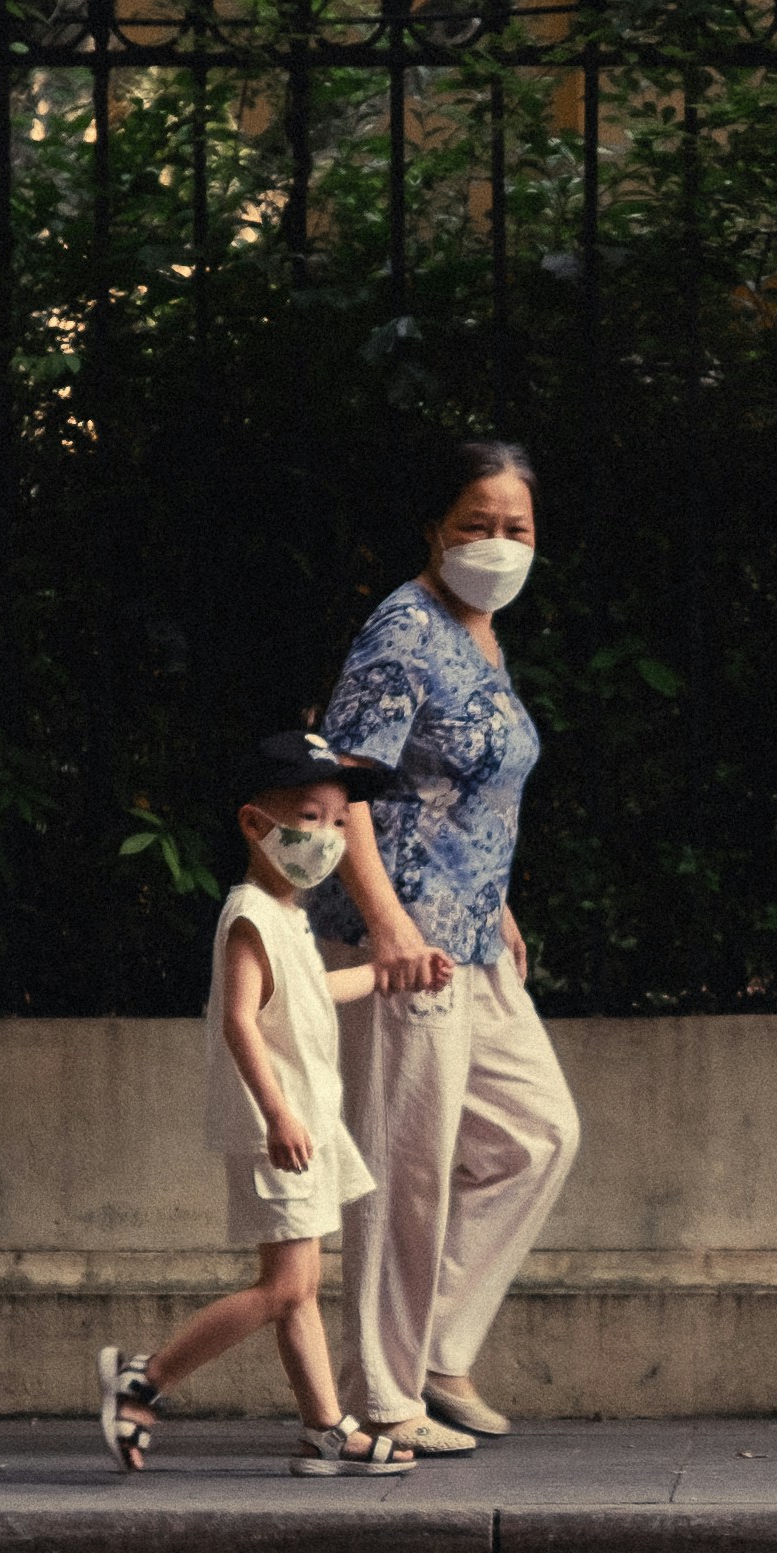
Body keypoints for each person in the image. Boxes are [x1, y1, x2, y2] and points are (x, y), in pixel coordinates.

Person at [312, 439, 586, 1456]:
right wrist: (386, 925)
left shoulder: (480, 636)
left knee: (538, 1133)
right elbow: (341, 790)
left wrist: (498, 900)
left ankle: (433, 1348)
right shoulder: (401, 631)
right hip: (405, 943)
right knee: (407, 1167)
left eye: (517, 527)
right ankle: (383, 1401)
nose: (499, 543)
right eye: (478, 522)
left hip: (474, 937)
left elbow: (471, 793)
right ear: (434, 526)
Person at [101, 733, 447, 1479]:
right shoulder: (251, 914)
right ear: (255, 824)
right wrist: (278, 1114)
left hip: (303, 1126)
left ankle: (326, 1428)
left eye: (336, 822)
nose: (325, 837)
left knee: (299, 1289)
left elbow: (311, 993)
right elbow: (238, 1019)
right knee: (287, 1286)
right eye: (307, 818)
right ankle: (145, 1378)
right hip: (280, 1130)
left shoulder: (287, 915)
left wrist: (395, 977)